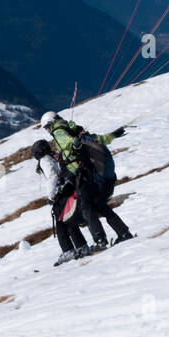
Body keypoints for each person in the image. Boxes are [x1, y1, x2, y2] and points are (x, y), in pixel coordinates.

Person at [33, 111, 134, 263]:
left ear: (51, 123)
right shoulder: (73, 129)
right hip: (90, 171)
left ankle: (100, 240)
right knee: (99, 204)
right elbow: (95, 140)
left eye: (47, 127)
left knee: (87, 207)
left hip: (80, 174)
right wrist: (112, 135)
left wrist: (72, 145)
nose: (48, 131)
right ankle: (123, 232)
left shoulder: (58, 131)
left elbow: (68, 142)